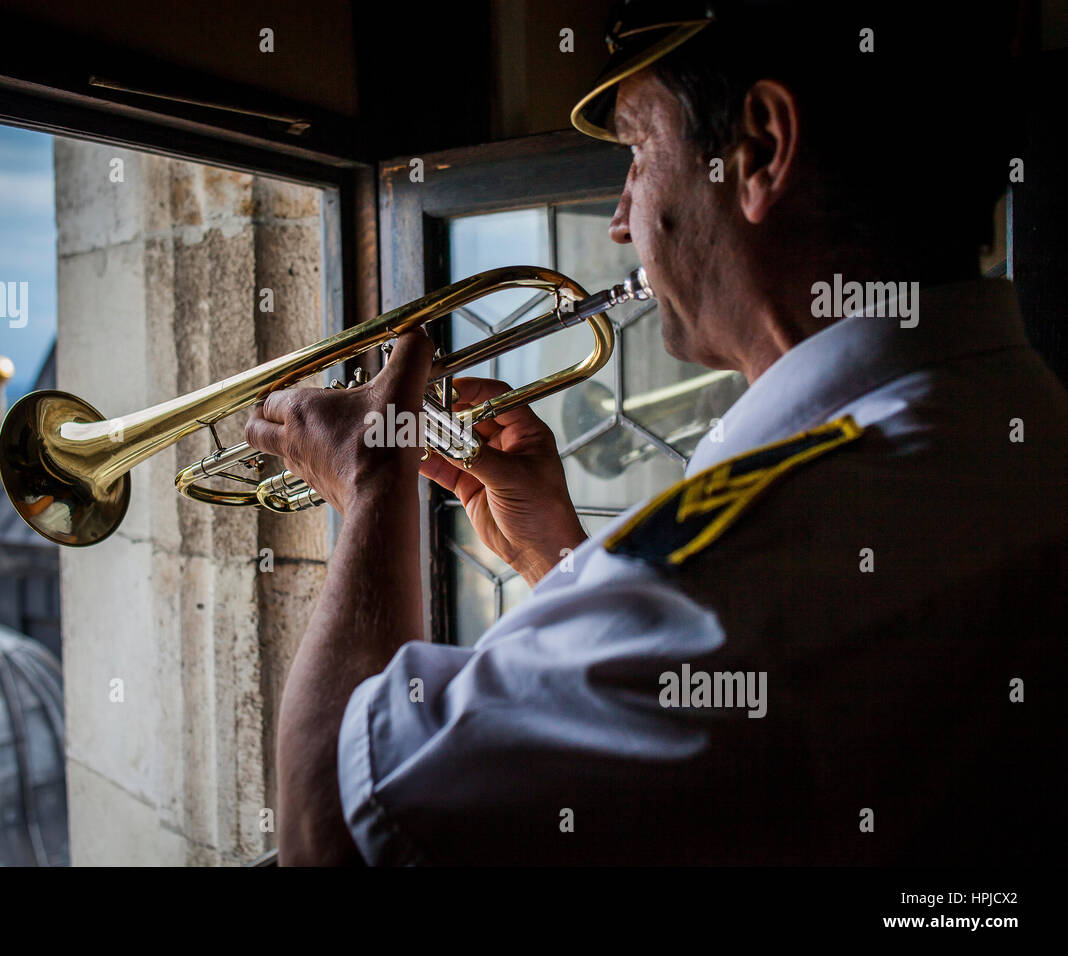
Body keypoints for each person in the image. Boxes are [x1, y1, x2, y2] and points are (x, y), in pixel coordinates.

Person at [244, 1, 1068, 865]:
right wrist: (558, 565)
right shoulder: (1017, 427)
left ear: (759, 147)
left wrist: (371, 487)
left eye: (638, 153)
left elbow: (328, 832)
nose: (619, 219)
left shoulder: (745, 563)